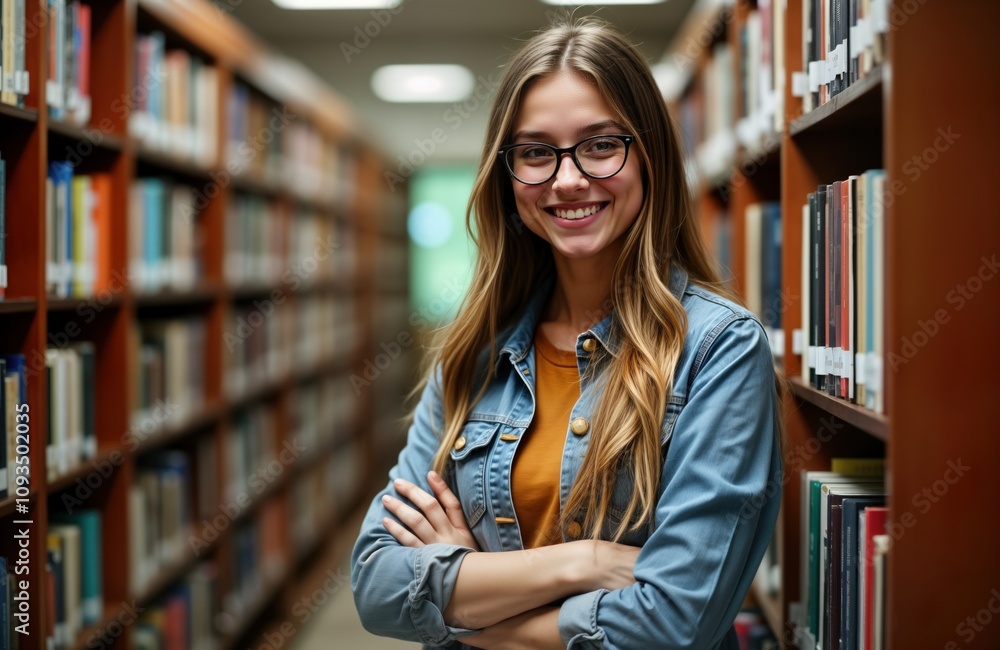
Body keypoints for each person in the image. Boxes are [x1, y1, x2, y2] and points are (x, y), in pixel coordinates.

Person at [351, 18, 783, 650]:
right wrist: (582, 562)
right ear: (508, 174)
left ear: (650, 155)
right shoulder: (475, 354)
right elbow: (378, 585)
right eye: (535, 152)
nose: (567, 179)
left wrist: (471, 606)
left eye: (601, 144)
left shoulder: (719, 351)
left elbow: (671, 625)